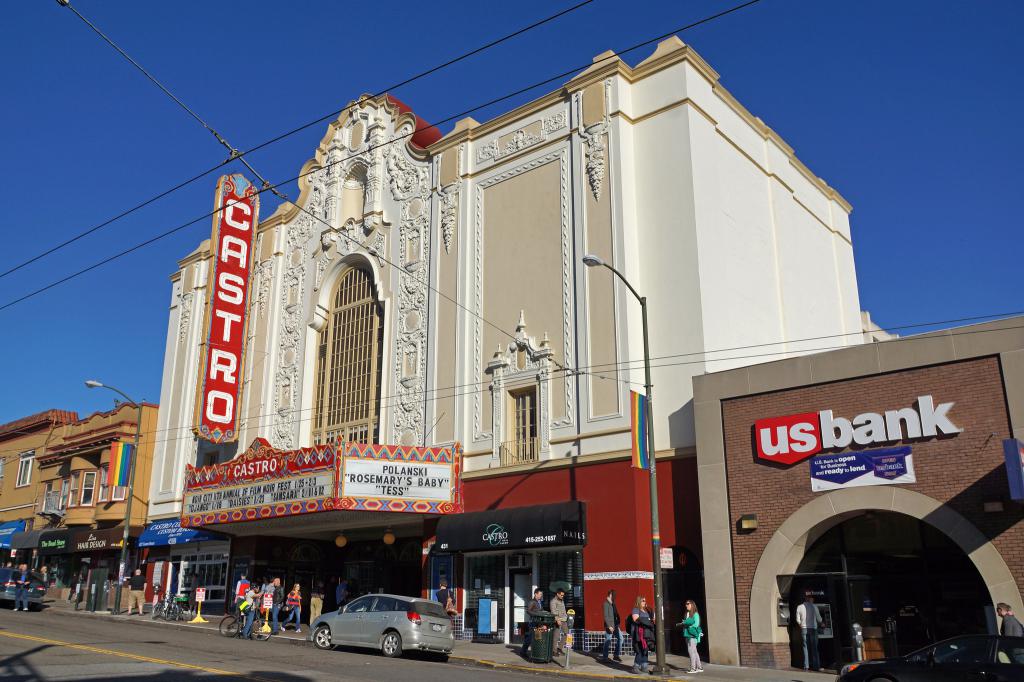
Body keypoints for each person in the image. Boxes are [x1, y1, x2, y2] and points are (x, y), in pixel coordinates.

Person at [795, 591, 823, 671]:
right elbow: (819, 619)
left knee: (805, 648)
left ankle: (806, 666)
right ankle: (816, 666)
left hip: (804, 629)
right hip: (813, 629)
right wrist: (822, 623)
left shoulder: (799, 607)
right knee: (814, 648)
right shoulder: (814, 606)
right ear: (810, 598)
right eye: (812, 597)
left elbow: (797, 620)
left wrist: (801, 625)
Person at [628, 596, 654, 674]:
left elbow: (652, 617)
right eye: (643, 601)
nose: (644, 602)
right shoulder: (636, 609)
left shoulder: (646, 611)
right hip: (639, 633)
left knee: (645, 649)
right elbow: (635, 619)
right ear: (639, 601)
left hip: (647, 633)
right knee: (640, 649)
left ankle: (644, 666)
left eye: (645, 601)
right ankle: (636, 666)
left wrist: (648, 607)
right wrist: (647, 621)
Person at [679, 599, 704, 674]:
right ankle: (699, 667)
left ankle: (693, 668)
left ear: (692, 605)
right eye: (686, 604)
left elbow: (696, 624)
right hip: (687, 634)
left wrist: (688, 625)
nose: (686, 605)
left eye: (688, 604)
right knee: (694, 651)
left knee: (691, 651)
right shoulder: (687, 613)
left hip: (692, 635)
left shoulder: (695, 614)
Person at [520, 589, 545, 658]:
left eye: (541, 595)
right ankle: (523, 652)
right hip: (533, 622)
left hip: (538, 623)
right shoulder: (532, 602)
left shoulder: (539, 602)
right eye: (540, 594)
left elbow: (541, 610)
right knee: (530, 638)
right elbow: (528, 611)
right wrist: (536, 614)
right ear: (535, 594)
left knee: (537, 638)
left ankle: (535, 653)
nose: (541, 596)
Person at [602, 589, 624, 662]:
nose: (615, 596)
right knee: (608, 640)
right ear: (610, 594)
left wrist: (618, 621)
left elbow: (615, 613)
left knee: (621, 639)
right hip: (610, 625)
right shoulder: (606, 603)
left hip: (616, 625)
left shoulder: (612, 603)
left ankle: (616, 655)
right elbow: (606, 616)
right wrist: (609, 626)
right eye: (614, 595)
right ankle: (605, 657)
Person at [551, 587, 569, 656]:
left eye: (563, 595)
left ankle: (559, 648)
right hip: (557, 620)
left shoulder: (562, 600)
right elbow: (553, 612)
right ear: (557, 594)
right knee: (556, 636)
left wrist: (566, 617)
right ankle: (554, 651)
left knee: (566, 634)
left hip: (564, 620)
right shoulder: (553, 601)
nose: (562, 596)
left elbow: (563, 610)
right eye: (561, 595)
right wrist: (557, 619)